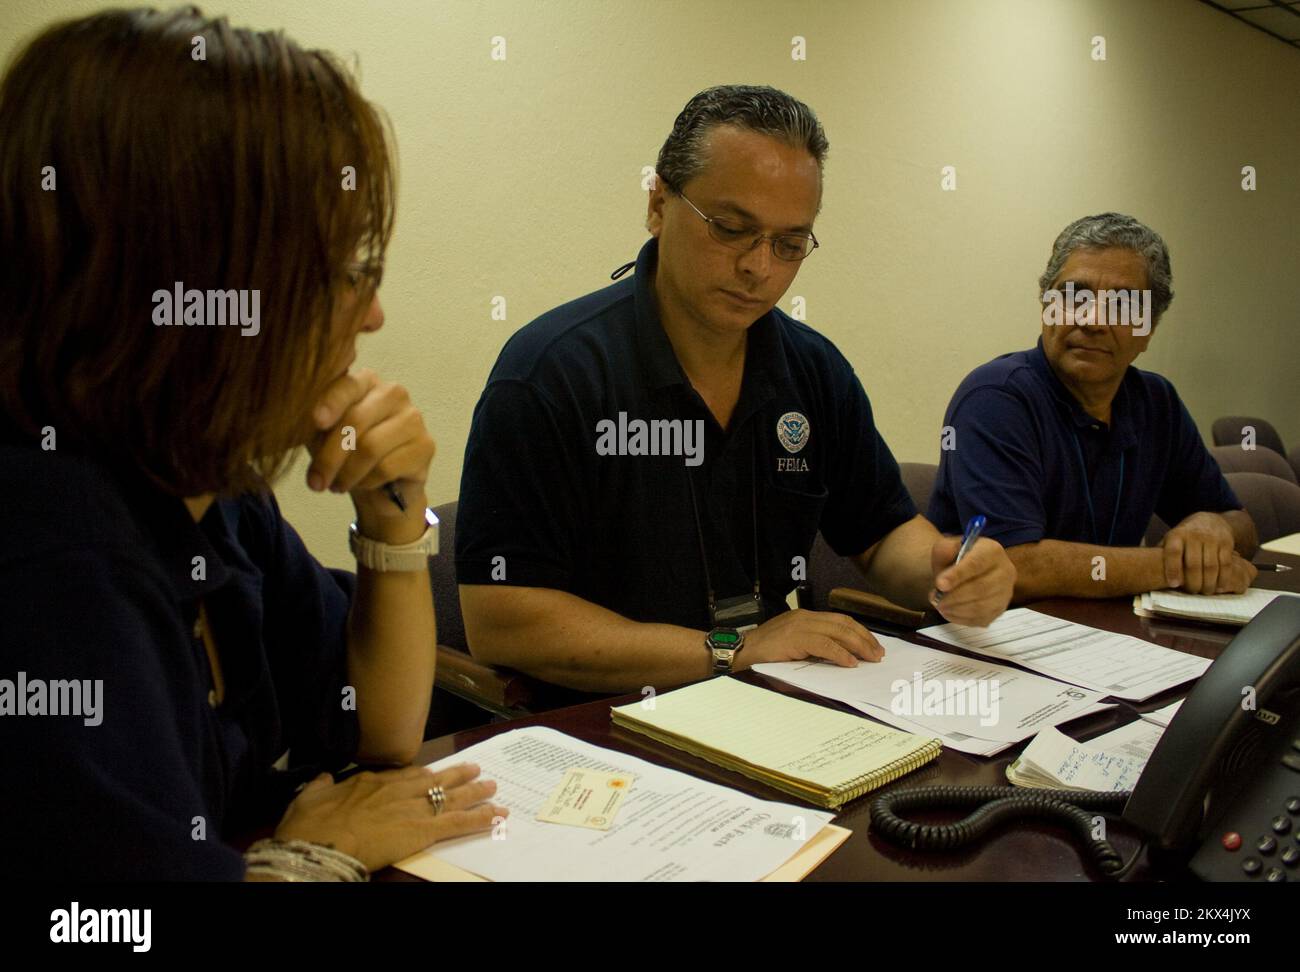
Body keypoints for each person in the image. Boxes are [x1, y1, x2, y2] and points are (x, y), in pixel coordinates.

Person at [0, 7, 505, 880]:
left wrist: (393, 524)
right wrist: (309, 856)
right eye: (347, 273)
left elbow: (380, 727)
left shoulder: (207, 481)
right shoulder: (54, 553)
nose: (373, 314)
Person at [456, 84, 1016, 698]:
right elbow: (501, 621)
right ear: (658, 204)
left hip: (771, 699)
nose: (759, 268)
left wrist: (944, 569)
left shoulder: (814, 370)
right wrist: (734, 649)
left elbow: (882, 536)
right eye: (730, 229)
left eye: (789, 244)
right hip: (602, 719)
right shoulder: (551, 373)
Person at [927, 212, 1257, 601]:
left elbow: (1242, 526)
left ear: (1147, 330)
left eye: (1120, 306)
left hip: (1107, 634)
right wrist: (1174, 565)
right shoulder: (995, 396)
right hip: (990, 637)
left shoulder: (1157, 402)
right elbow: (1016, 564)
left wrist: (1211, 527)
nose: (1092, 320)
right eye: (1072, 297)